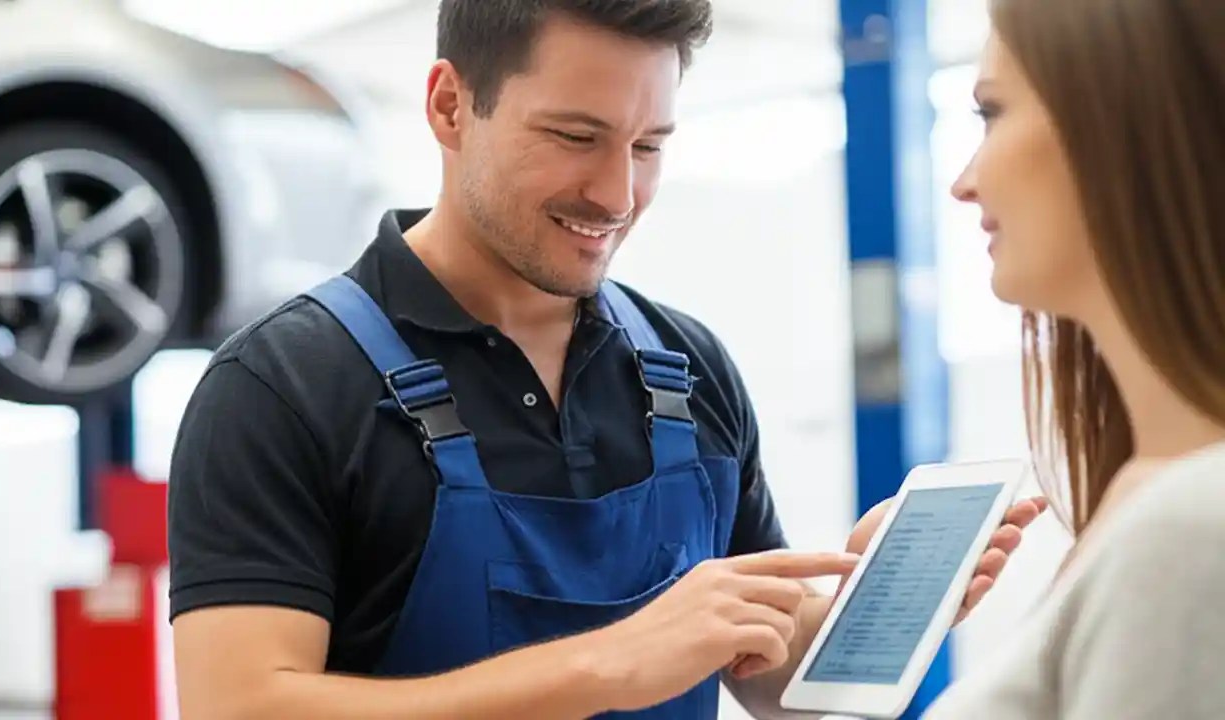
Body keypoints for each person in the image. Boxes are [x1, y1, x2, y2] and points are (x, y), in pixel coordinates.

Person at [166, 2, 1043, 718]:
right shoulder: (280, 388)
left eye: (649, 145)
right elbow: (242, 706)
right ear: (448, 106)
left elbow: (760, 680)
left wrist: (870, 616)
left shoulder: (688, 367)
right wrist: (607, 666)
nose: (617, 195)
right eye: (575, 136)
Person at [923, 0, 1225, 717]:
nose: (964, 181)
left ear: (1125, 126)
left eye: (991, 113)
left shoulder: (1190, 526)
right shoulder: (1151, 501)